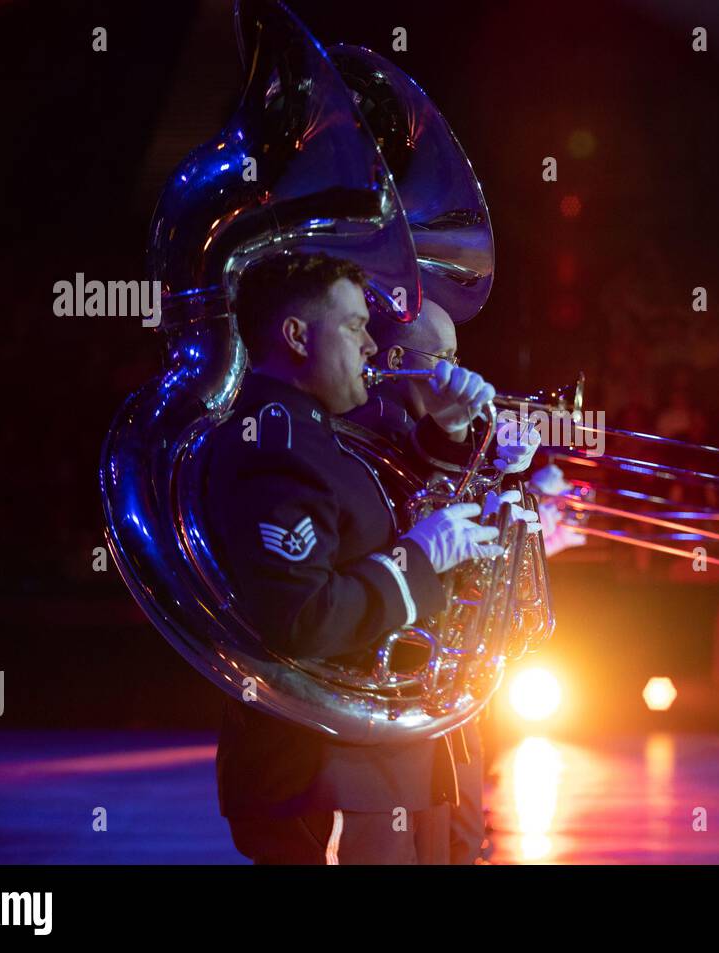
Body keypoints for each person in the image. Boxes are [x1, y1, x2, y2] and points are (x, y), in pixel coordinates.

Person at [199, 252, 531, 864]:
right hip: (325, 773)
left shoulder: (318, 434)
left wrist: (454, 438)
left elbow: (382, 520)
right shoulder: (278, 443)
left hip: (368, 767)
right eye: (354, 327)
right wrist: (421, 561)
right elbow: (301, 618)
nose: (372, 348)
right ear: (297, 336)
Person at [349, 297, 578, 862]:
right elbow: (414, 528)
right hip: (399, 687)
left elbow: (467, 547)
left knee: (461, 841)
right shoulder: (369, 430)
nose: (464, 372)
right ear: (399, 359)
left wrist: (507, 485)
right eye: (445, 355)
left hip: (452, 689)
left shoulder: (433, 436)